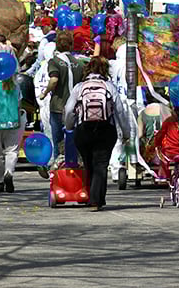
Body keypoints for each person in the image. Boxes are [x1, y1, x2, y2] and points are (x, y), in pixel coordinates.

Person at [64, 56, 130, 211]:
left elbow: (69, 110)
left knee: (88, 164)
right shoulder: (109, 86)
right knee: (101, 164)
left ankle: (92, 197)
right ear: (105, 70)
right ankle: (96, 199)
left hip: (83, 129)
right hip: (105, 129)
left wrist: (69, 126)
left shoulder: (79, 87)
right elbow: (120, 111)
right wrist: (126, 132)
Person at [39, 32, 84, 161]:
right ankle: (75, 165)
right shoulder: (79, 63)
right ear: (72, 45)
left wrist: (45, 93)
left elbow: (53, 80)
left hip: (58, 106)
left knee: (58, 140)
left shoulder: (54, 62)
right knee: (74, 138)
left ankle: (59, 168)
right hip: (75, 107)